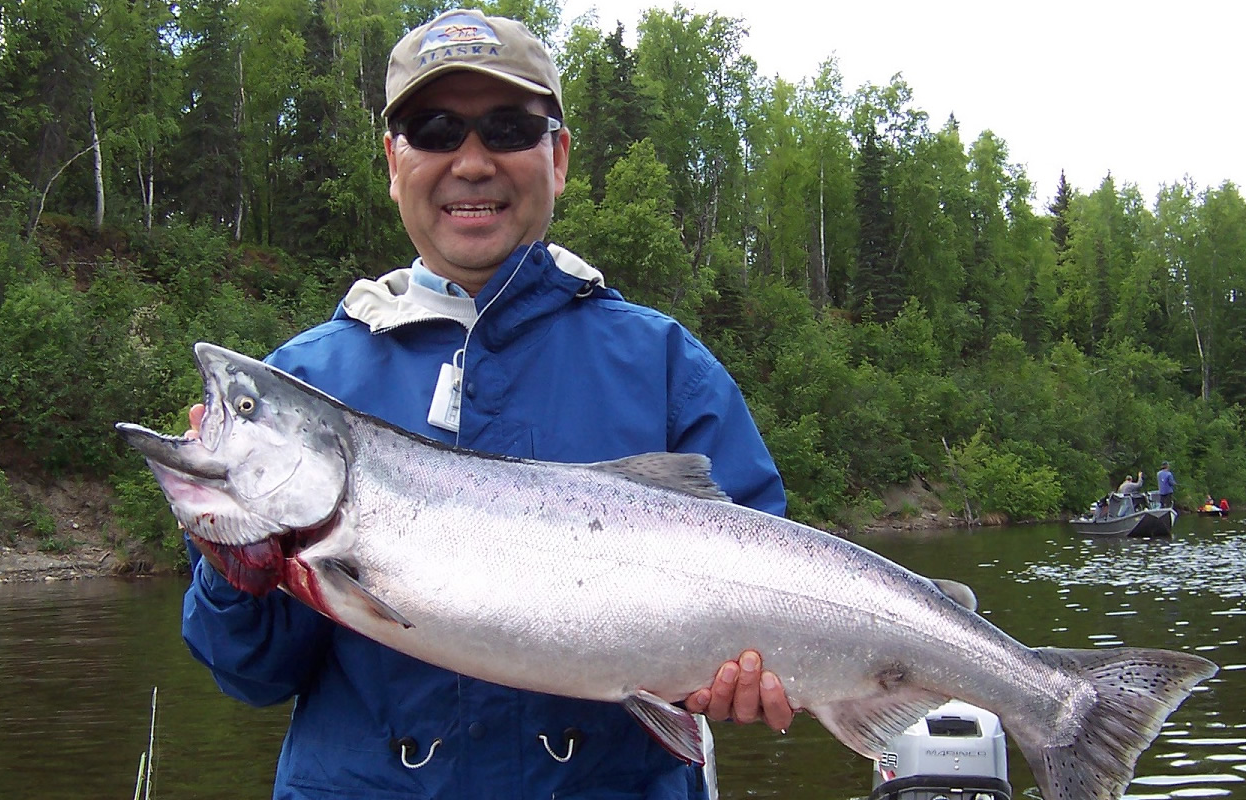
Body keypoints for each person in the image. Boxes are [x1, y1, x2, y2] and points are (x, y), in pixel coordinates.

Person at [180, 9, 792, 799]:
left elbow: (776, 590)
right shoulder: (303, 382)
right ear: (393, 161)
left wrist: (744, 673)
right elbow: (251, 675)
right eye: (435, 128)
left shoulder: (668, 367)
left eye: (508, 127)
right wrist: (235, 570)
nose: (471, 161)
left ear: (559, 156)